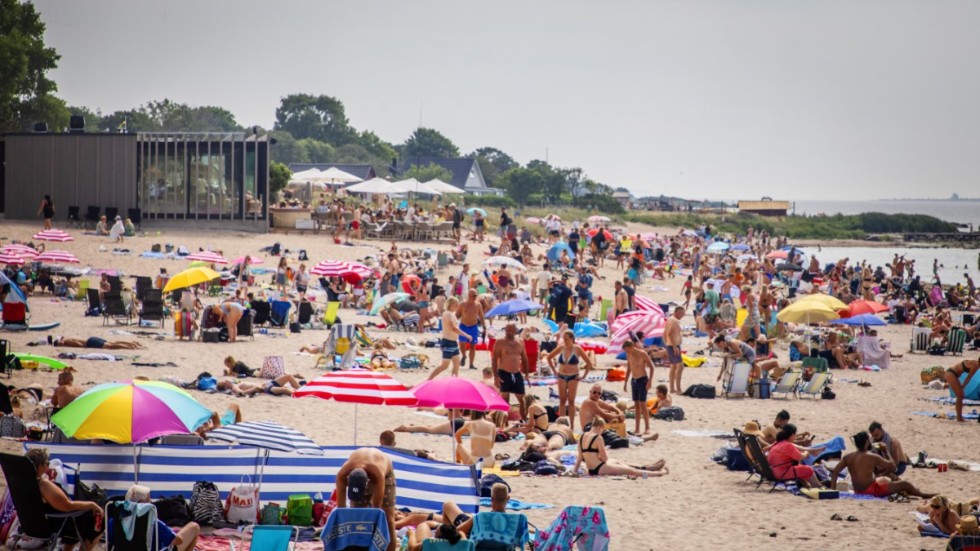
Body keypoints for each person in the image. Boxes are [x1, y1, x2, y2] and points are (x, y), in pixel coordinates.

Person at [27, 447, 104, 551]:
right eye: (47, 464)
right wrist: (92, 505)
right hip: (57, 524)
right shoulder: (43, 485)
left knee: (77, 517)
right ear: (40, 466)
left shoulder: (24, 482)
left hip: (33, 523)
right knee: (99, 516)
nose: (48, 467)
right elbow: (67, 506)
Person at [829, 431, 935, 499]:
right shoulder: (871, 456)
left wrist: (833, 489)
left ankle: (913, 492)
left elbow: (835, 472)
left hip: (858, 490)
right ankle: (921, 495)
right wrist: (885, 451)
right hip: (871, 490)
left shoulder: (848, 457)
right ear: (866, 442)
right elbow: (893, 467)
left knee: (884, 478)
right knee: (905, 484)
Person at [336, 448, 397, 551]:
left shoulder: (377, 474)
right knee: (357, 516)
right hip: (363, 468)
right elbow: (341, 511)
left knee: (388, 519)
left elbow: (377, 512)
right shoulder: (342, 474)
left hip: (385, 475)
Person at [574, 417, 667, 478]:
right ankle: (660, 473)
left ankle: (647, 467)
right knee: (632, 471)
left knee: (618, 462)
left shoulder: (581, 437)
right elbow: (605, 458)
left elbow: (580, 457)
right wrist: (605, 451)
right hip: (600, 468)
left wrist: (575, 471)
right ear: (600, 427)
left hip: (591, 469)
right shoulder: (598, 438)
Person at [122, 485, 200, 551]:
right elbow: (177, 541)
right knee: (194, 526)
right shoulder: (153, 523)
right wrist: (169, 531)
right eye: (148, 499)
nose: (151, 502)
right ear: (142, 504)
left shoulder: (114, 522)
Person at [546, 327, 594, 429]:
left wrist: (584, 376)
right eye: (564, 338)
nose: (565, 340)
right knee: (562, 401)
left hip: (573, 376)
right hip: (561, 376)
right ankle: (562, 424)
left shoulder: (577, 349)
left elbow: (589, 362)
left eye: (566, 338)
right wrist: (554, 371)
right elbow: (549, 357)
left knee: (571, 401)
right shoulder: (561, 348)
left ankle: (571, 425)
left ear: (572, 338)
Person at [441, 483, 509, 537]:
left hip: (473, 540)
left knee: (447, 504)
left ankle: (445, 542)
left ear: (492, 499)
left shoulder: (481, 517)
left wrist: (472, 520)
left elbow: (456, 532)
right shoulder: (515, 520)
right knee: (469, 516)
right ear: (508, 498)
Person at [492, 323, 530, 419]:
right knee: (505, 400)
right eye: (506, 329)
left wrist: (526, 374)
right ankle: (505, 422)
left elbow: (524, 358)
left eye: (510, 329)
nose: (508, 331)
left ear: (515, 330)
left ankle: (524, 419)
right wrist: (496, 376)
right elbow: (494, 359)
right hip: (504, 373)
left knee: (523, 400)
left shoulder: (520, 341)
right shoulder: (500, 342)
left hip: (517, 373)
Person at [765, 424, 821, 488]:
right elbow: (800, 457)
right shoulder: (787, 445)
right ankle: (818, 486)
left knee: (799, 467)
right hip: (781, 473)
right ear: (792, 435)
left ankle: (807, 485)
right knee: (808, 470)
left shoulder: (778, 443)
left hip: (773, 471)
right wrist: (807, 453)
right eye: (794, 435)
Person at [427, 298, 471, 380]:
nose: (457, 306)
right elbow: (453, 328)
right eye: (456, 304)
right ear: (450, 304)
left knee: (456, 363)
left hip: (453, 342)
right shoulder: (447, 314)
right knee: (444, 365)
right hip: (447, 342)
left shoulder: (452, 314)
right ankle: (429, 379)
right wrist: (466, 335)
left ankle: (454, 380)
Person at [622, 340, 654, 435]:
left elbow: (652, 367)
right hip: (634, 380)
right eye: (625, 351)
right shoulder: (629, 355)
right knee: (636, 405)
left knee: (643, 404)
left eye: (627, 350)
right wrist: (625, 382)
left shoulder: (642, 354)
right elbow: (629, 369)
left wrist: (650, 381)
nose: (626, 352)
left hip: (643, 380)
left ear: (632, 346)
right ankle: (637, 428)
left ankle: (647, 427)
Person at [457, 289, 486, 370]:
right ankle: (464, 355)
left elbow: (481, 316)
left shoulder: (478, 305)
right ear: (469, 295)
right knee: (462, 344)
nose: (475, 297)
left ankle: (471, 364)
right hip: (463, 326)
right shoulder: (462, 304)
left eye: (476, 295)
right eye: (473, 295)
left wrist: (484, 327)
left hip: (473, 327)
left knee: (473, 346)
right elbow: (457, 314)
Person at [945, 358, 980, 422]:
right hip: (951, 373)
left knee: (960, 395)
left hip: (952, 373)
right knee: (960, 395)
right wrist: (963, 386)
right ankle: (959, 418)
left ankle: (959, 417)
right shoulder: (975, 366)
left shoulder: (974, 362)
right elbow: (968, 378)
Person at [216, 374, 304, 397]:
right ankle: (300, 394)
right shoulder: (235, 388)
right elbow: (241, 393)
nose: (227, 381)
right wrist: (256, 388)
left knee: (289, 377)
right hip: (266, 388)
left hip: (268, 383)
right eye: (225, 383)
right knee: (284, 390)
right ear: (225, 387)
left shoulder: (236, 384)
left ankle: (302, 390)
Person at [664, 306, 685, 394]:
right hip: (673, 346)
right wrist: (674, 346)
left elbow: (664, 333)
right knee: (680, 366)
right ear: (677, 312)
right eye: (682, 313)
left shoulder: (670, 319)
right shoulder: (674, 320)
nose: (682, 316)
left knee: (673, 366)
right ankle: (678, 389)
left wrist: (667, 343)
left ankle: (672, 388)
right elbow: (669, 333)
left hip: (670, 346)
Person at [52, 336, 143, 349]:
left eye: (60, 343)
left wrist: (84, 347)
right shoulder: (67, 338)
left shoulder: (67, 342)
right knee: (112, 342)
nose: (61, 344)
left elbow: (78, 344)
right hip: (91, 339)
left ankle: (130, 346)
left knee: (110, 346)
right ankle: (131, 343)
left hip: (90, 343)